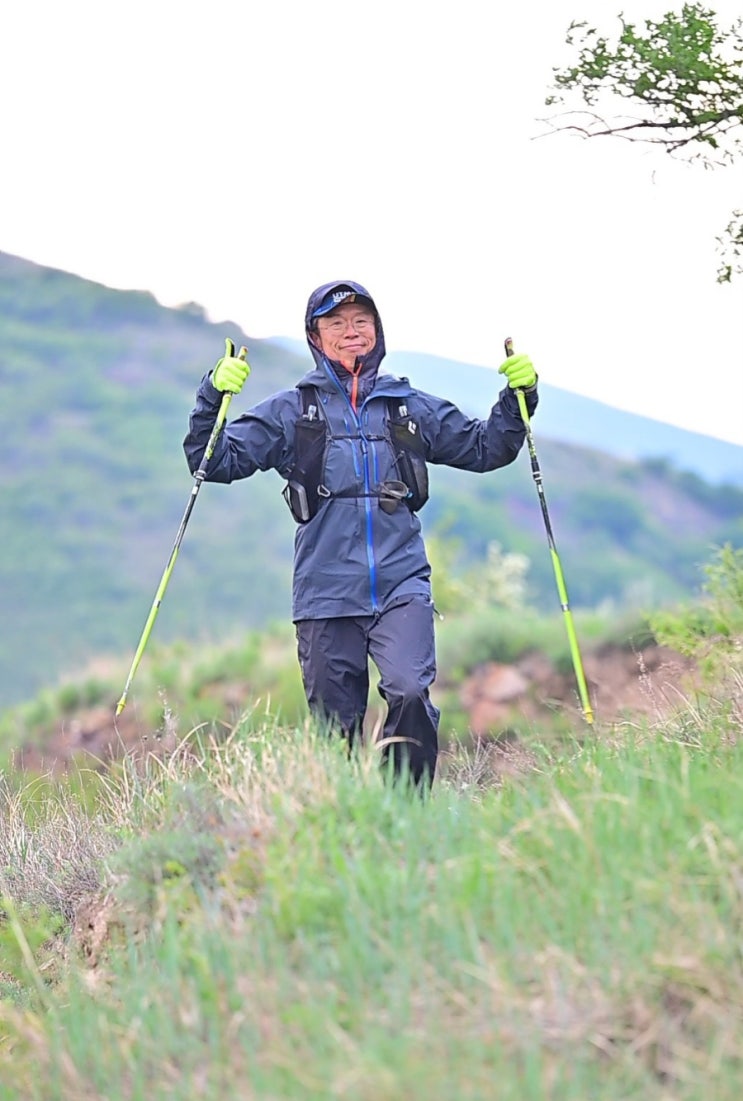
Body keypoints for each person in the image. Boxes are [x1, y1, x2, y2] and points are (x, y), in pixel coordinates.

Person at [184, 280, 537, 787]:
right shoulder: (293, 411)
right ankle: (346, 821)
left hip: (401, 584)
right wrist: (213, 394)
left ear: (377, 331)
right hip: (325, 591)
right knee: (335, 732)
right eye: (337, 324)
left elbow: (486, 449)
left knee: (410, 690)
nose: (352, 332)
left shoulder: (406, 406)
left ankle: (406, 812)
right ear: (316, 336)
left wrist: (518, 397)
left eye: (361, 321)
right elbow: (213, 461)